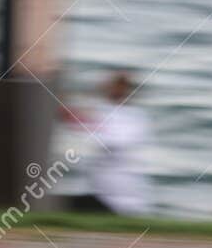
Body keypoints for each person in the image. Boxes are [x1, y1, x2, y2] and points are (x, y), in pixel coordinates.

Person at [64, 71, 151, 215]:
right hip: (102, 195)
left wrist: (83, 121)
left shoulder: (136, 117)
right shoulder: (106, 111)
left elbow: (115, 141)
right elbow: (81, 125)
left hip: (121, 201)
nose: (108, 88)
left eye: (113, 85)